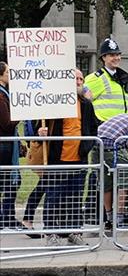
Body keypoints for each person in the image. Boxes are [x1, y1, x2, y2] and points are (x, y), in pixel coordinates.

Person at [33, 69, 98, 246]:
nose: (79, 82)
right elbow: (37, 126)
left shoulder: (86, 104)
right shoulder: (54, 104)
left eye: (81, 79)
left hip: (79, 160)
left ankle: (75, 231)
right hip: (57, 160)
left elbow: (93, 128)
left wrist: (86, 146)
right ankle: (51, 233)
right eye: (75, 78)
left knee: (75, 198)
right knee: (53, 197)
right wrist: (41, 132)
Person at [84, 38, 128, 123]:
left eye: (118, 55)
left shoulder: (122, 78)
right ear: (103, 57)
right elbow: (83, 100)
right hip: (104, 125)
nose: (116, 58)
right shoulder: (96, 78)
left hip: (123, 125)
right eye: (112, 55)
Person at [0, 61, 22, 229]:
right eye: (8, 72)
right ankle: (6, 216)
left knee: (10, 182)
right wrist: (20, 113)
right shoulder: (1, 96)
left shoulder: (4, 94)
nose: (10, 75)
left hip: (7, 144)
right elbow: (7, 123)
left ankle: (6, 215)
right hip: (4, 146)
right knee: (10, 182)